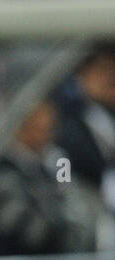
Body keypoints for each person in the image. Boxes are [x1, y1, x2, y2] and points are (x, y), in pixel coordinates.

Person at [0, 101, 98, 256]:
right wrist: (62, 224)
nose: (46, 120)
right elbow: (30, 235)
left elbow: (76, 206)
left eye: (48, 111)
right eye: (37, 114)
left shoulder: (57, 162)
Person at [54, 45, 115, 213]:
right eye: (103, 70)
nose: (110, 78)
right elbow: (61, 169)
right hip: (85, 205)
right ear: (82, 72)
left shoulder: (103, 114)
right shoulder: (63, 117)